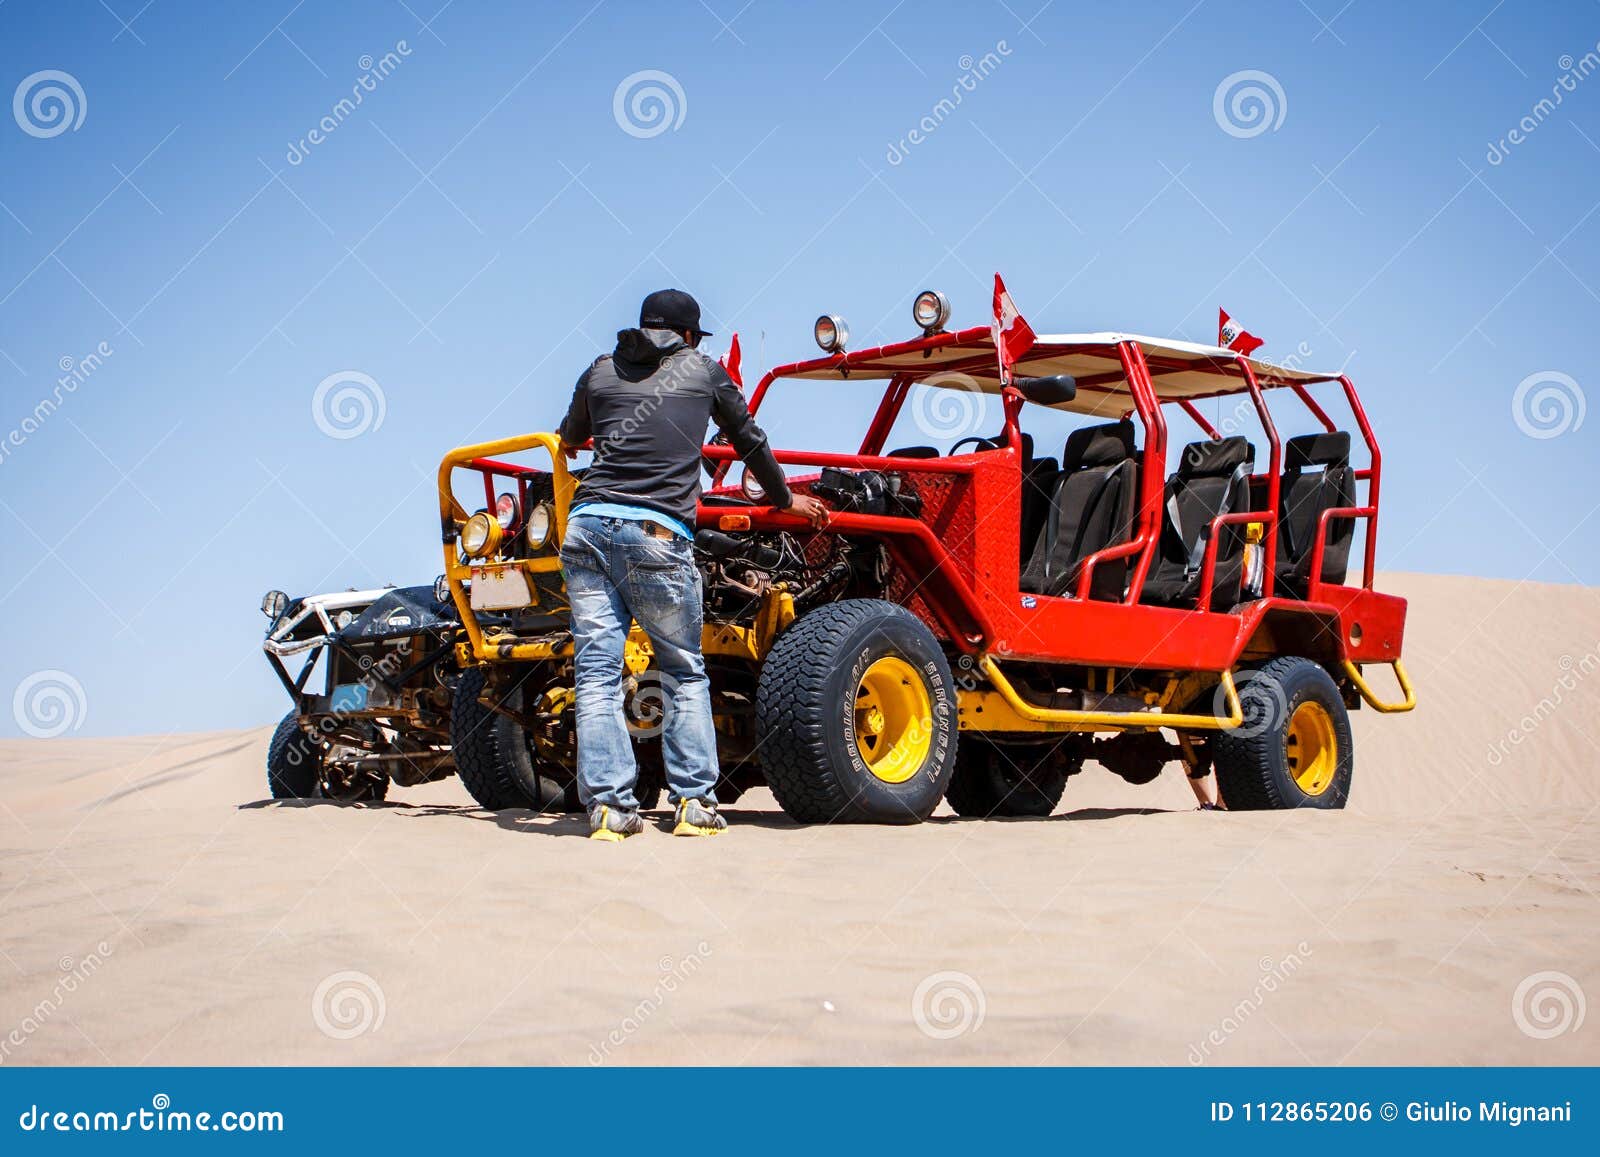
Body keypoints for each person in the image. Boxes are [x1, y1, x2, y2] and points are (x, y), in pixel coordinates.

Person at [557, 289, 828, 841]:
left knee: (597, 674)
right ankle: (693, 805)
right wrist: (783, 501)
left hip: (585, 529)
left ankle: (609, 810)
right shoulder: (703, 371)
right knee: (681, 670)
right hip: (655, 533)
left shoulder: (600, 369)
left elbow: (568, 437)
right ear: (686, 336)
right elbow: (749, 440)